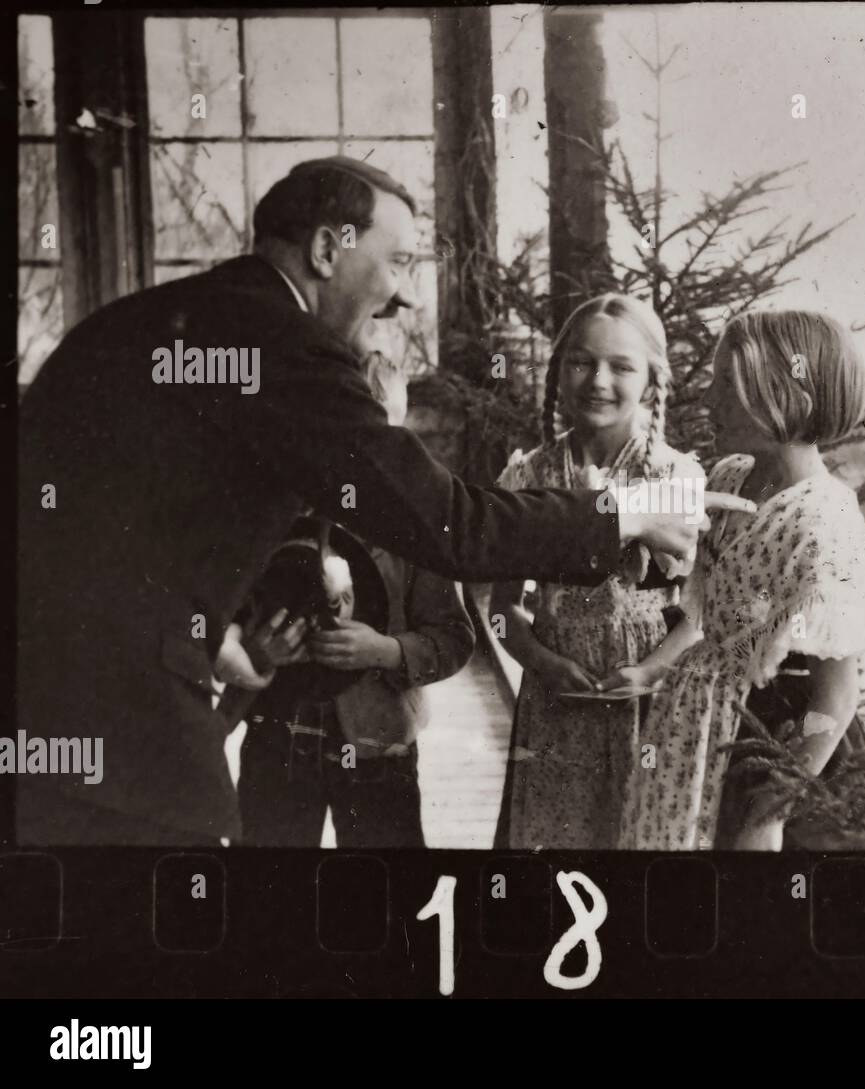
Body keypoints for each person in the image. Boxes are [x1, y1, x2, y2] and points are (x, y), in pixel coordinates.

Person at [17, 155, 751, 846]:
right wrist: (629, 513)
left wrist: (213, 637)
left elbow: (129, 514)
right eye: (397, 261)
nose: (402, 295)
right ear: (328, 250)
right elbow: (449, 523)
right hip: (109, 719)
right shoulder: (283, 344)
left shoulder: (154, 317)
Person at [608, 310, 865, 850]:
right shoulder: (730, 476)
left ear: (786, 398)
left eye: (727, 387)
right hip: (696, 724)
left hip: (772, 744)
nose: (710, 402)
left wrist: (770, 813)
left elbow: (837, 694)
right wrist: (651, 671)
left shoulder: (825, 522)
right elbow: (702, 612)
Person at [220, 354, 475, 847]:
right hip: (280, 733)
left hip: (379, 742)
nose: (360, 449)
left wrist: (387, 650)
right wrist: (255, 651)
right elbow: (220, 617)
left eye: (381, 435)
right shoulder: (269, 514)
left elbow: (454, 637)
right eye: (341, 429)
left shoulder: (416, 524)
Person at [490, 294, 704, 849]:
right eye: (582, 362)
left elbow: (700, 614)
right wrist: (539, 661)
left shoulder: (676, 478)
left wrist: (652, 670)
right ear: (558, 373)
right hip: (555, 706)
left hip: (649, 708)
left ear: (652, 381)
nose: (598, 380)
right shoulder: (528, 477)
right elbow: (500, 611)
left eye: (622, 366)